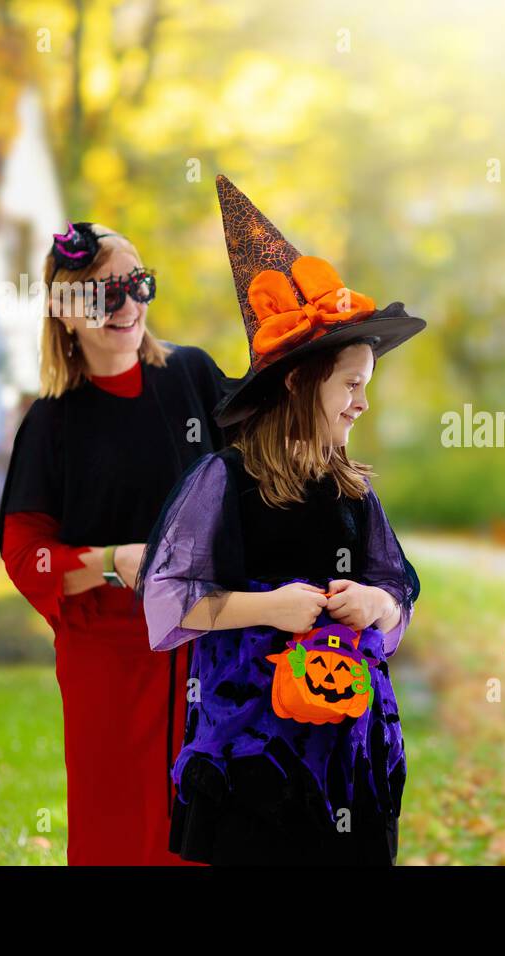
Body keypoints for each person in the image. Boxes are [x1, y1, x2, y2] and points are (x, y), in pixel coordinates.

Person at [138, 175, 423, 865]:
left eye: (367, 387)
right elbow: (166, 600)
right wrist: (266, 606)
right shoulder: (225, 481)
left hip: (345, 738)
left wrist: (376, 603)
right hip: (252, 741)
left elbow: (399, 593)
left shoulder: (353, 491)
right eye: (349, 385)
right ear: (299, 382)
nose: (360, 403)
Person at [0, 221, 228, 864]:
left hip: (206, 644)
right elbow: (25, 555)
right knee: (117, 823)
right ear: (64, 313)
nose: (126, 307)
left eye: (135, 285)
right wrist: (107, 562)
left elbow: (270, 456)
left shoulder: (193, 377)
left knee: (208, 819)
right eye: (102, 296)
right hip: (111, 662)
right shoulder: (51, 423)